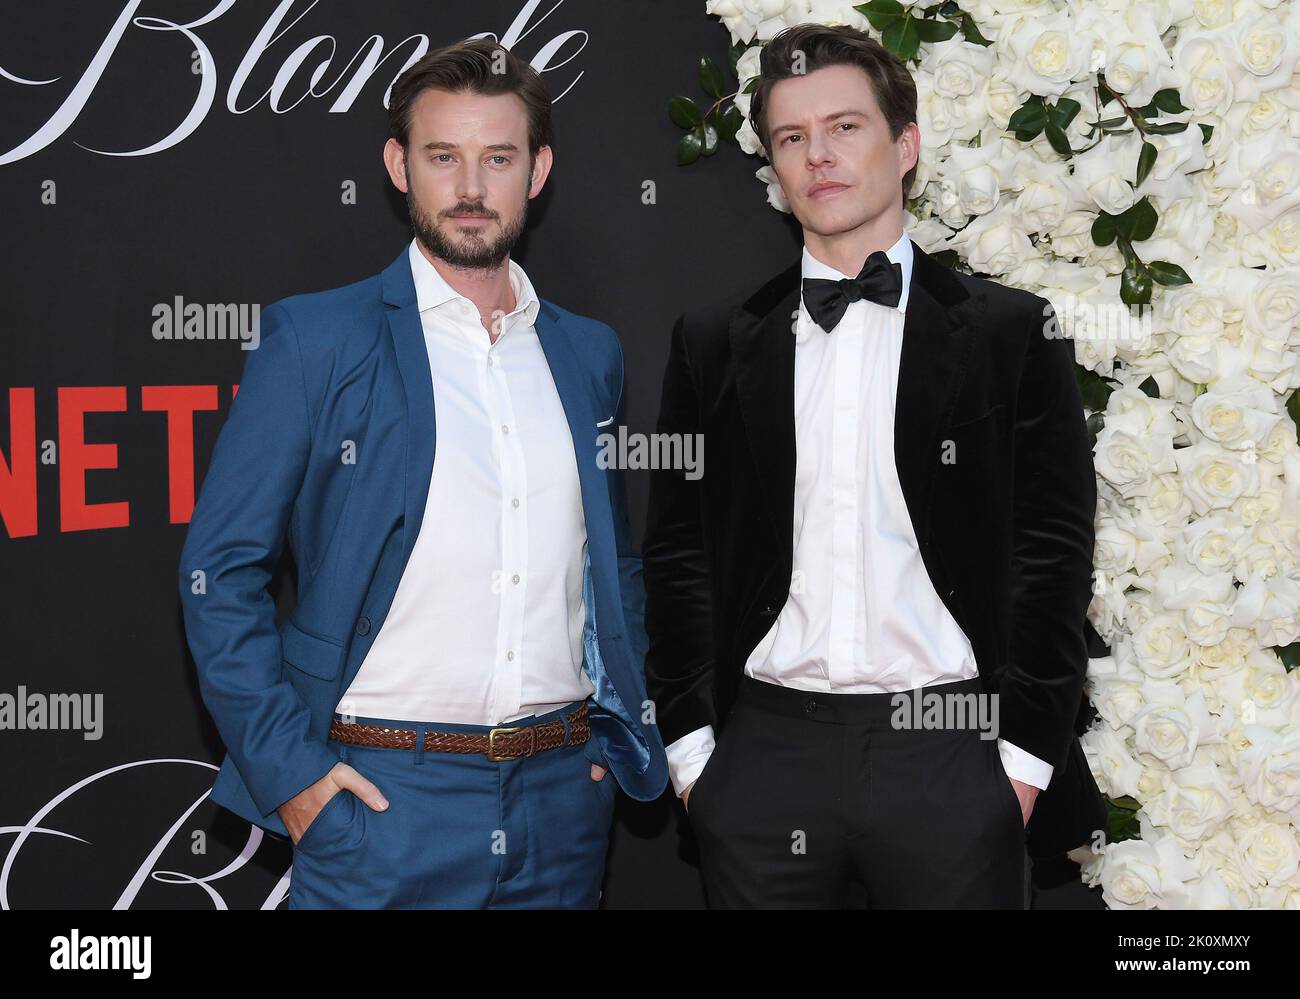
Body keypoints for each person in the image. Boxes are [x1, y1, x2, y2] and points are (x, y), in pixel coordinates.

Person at [179, 37, 666, 909]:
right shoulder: (317, 340)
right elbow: (221, 574)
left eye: (498, 158)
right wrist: (296, 776)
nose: (471, 188)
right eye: (445, 156)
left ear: (539, 170)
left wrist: (609, 730)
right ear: (400, 165)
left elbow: (611, 562)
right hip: (379, 803)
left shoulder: (588, 352)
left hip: (564, 800)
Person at [642, 23, 1102, 908]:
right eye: (791, 136)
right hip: (764, 755)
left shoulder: (1013, 332)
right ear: (773, 168)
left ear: (907, 144)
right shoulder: (712, 342)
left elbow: (1052, 555)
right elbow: (678, 558)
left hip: (953, 750)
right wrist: (695, 758)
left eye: (846, 126)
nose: (818, 155)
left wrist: (1020, 767)